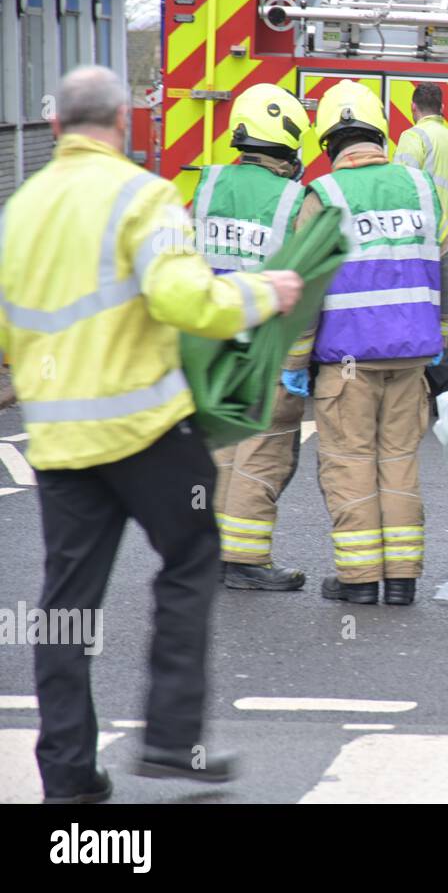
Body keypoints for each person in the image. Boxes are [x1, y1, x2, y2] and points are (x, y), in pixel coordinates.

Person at [0, 66, 303, 802]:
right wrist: (267, 293)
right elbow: (185, 299)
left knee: (67, 606)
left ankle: (68, 772)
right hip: (145, 432)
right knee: (193, 556)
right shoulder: (145, 195)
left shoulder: (21, 208)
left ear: (58, 127)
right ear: (124, 124)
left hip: (61, 442)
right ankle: (170, 740)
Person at [292, 80, 448, 606]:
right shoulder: (421, 189)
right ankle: (403, 580)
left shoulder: (322, 196)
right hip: (411, 356)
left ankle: (360, 581)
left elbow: (304, 288)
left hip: (346, 363)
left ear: (327, 143)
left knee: (350, 460)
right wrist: (441, 334)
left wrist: (296, 360)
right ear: (381, 134)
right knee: (399, 459)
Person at [192, 83, 311, 591]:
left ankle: (210, 553)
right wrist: (299, 361)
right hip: (267, 347)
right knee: (263, 450)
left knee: (219, 449)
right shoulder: (294, 199)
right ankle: (244, 561)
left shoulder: (208, 185)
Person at [393, 83, 448, 247]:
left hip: (419, 237)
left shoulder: (413, 136)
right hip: (447, 239)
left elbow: (400, 188)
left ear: (413, 107)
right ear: (442, 107)